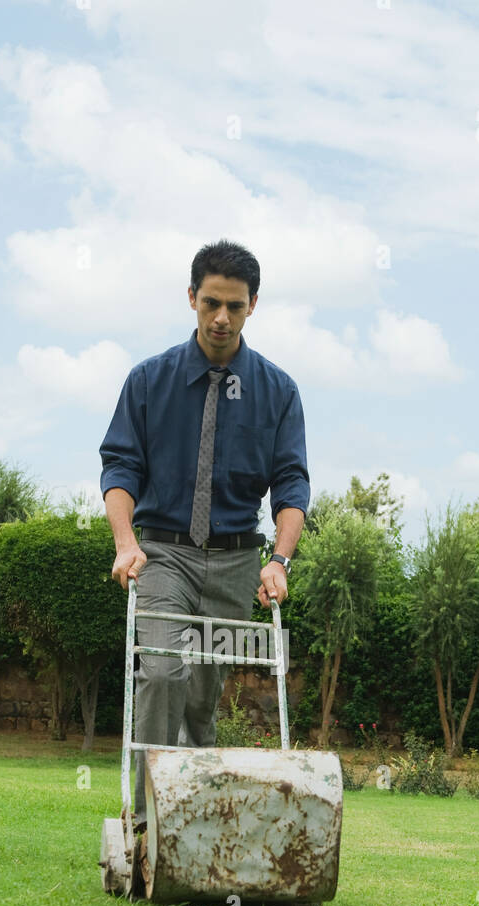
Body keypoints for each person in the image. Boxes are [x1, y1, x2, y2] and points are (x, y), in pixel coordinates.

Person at [99, 239, 310, 822]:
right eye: (211, 302)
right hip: (163, 553)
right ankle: (146, 820)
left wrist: (279, 561)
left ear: (253, 306)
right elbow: (119, 466)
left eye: (234, 306)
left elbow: (291, 484)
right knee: (164, 671)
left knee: (200, 694)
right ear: (191, 298)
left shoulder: (278, 391)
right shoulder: (149, 381)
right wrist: (126, 543)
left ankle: (190, 821)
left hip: (237, 562)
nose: (221, 317)